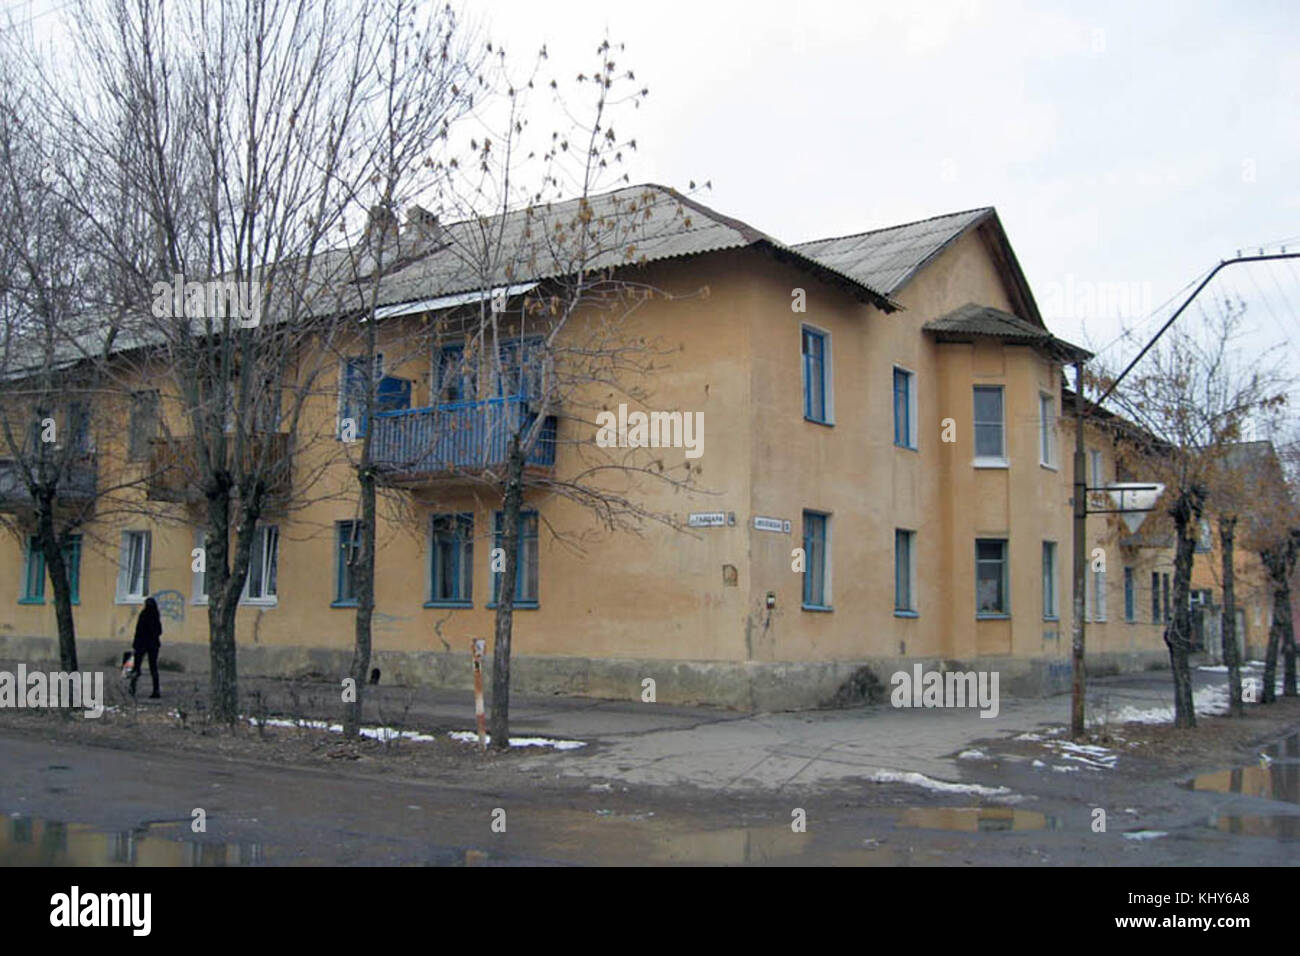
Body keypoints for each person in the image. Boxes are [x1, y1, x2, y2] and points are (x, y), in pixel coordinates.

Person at [130, 597, 163, 699]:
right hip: (153, 645)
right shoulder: (155, 616)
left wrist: (135, 644)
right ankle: (156, 690)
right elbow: (159, 631)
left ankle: (132, 688)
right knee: (153, 668)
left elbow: (138, 630)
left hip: (141, 644)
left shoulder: (143, 615)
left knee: (136, 667)